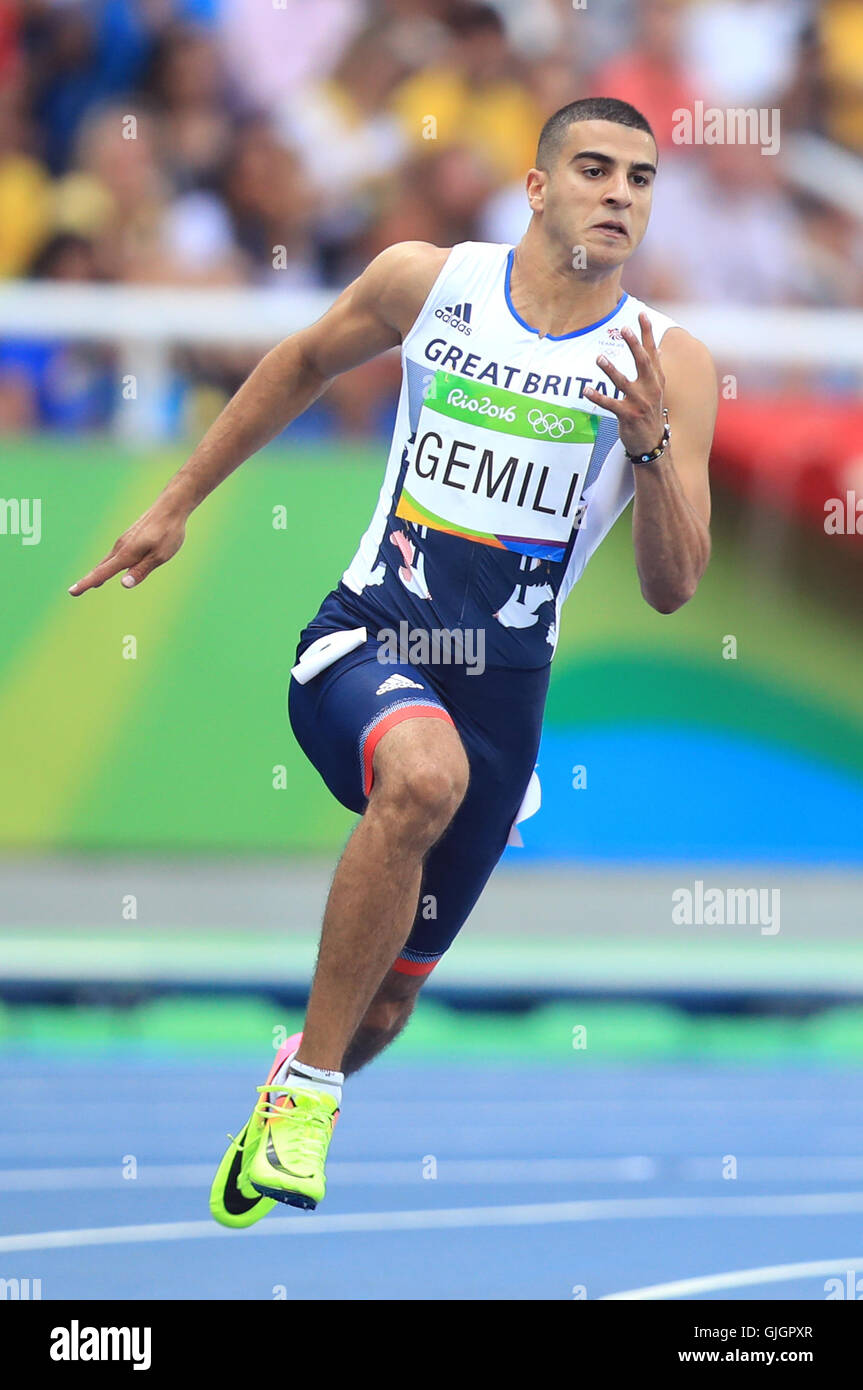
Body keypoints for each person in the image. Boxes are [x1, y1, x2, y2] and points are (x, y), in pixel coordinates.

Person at [68, 98, 716, 1221]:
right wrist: (175, 502)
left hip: (502, 704)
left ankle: (299, 1075)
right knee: (422, 775)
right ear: (536, 187)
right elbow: (302, 359)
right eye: (595, 170)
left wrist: (648, 445)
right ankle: (309, 1102)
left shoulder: (668, 363)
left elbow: (672, 585)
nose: (618, 194)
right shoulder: (430, 282)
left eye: (641, 179)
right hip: (366, 641)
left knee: (381, 1012)